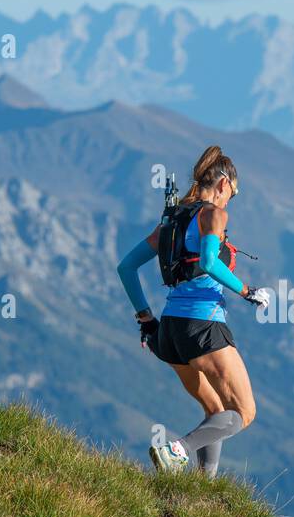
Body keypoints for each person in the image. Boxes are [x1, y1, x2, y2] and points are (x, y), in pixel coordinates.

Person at [116, 145, 270, 475]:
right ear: (224, 184)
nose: (231, 201)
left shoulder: (172, 220)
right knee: (244, 412)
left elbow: (126, 268)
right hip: (203, 327)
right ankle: (177, 451)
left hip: (169, 333)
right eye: (234, 193)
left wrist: (145, 318)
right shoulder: (213, 215)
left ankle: (204, 488)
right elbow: (210, 262)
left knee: (215, 411)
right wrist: (247, 291)